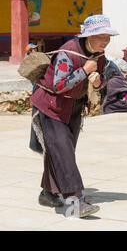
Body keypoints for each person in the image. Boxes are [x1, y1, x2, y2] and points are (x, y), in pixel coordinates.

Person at [30, 14, 118, 218]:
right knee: (64, 154)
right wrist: (84, 70)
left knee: (62, 153)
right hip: (51, 108)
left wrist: (98, 82)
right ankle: (75, 202)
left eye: (107, 37)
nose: (105, 41)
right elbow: (58, 86)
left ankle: (48, 193)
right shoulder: (67, 53)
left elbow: (103, 79)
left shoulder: (100, 55)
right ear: (88, 35)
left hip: (74, 109)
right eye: (100, 36)